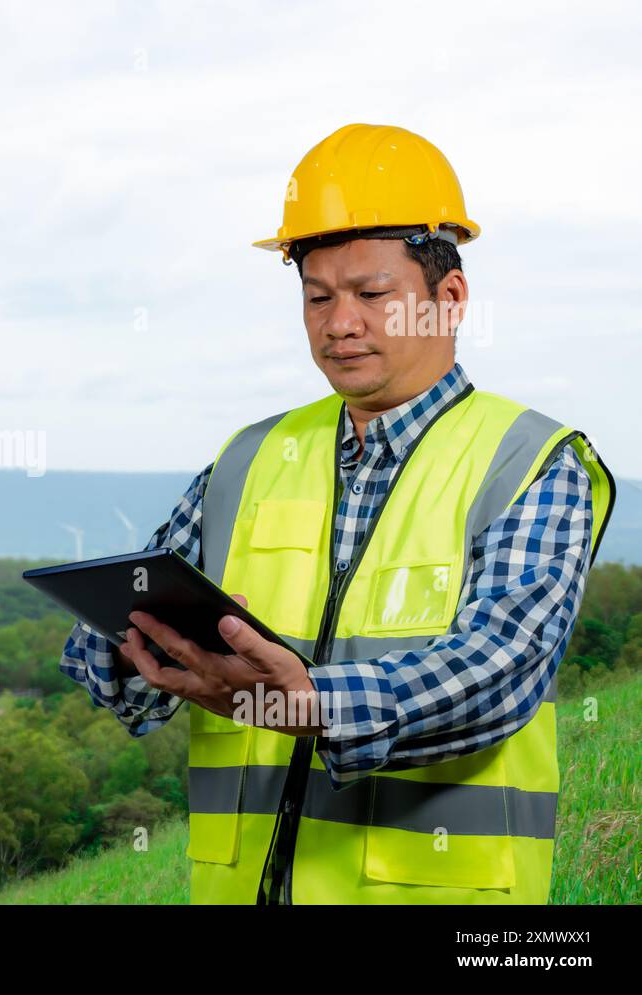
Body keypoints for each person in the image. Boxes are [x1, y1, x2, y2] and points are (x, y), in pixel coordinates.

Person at [58, 123, 616, 905]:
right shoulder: (249, 458)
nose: (338, 322)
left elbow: (497, 670)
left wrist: (310, 703)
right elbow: (107, 647)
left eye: (371, 295)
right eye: (317, 296)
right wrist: (134, 651)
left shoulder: (528, 458)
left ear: (447, 298)